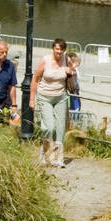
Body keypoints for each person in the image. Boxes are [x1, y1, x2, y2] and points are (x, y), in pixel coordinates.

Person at [30, 37, 69, 169]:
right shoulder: (45, 60)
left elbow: (72, 74)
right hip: (45, 96)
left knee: (60, 128)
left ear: (64, 50)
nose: (59, 52)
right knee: (49, 127)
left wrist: (71, 72)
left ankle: (58, 158)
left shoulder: (66, 60)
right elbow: (35, 78)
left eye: (61, 50)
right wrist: (31, 98)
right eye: (57, 49)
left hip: (61, 97)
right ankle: (45, 152)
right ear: (53, 48)